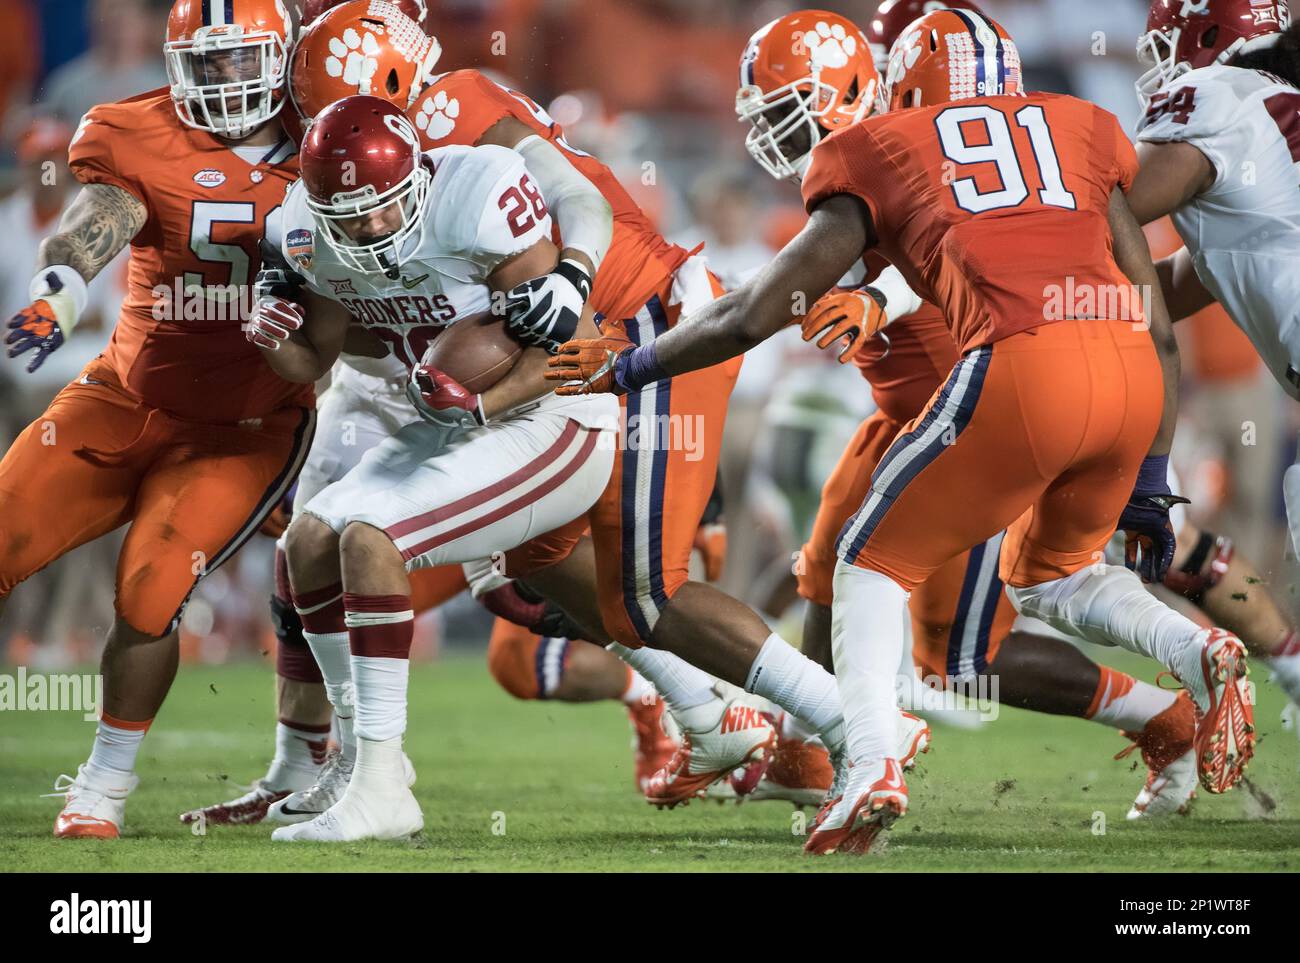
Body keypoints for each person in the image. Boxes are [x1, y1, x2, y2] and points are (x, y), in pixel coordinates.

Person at [548, 8, 1255, 854]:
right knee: (838, 576)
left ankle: (885, 758)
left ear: (881, 83)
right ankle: (816, 751)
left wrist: (630, 363)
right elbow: (1103, 277)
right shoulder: (1075, 128)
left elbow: (789, 296)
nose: (775, 130)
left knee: (930, 629)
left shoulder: (882, 149)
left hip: (994, 393)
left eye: (788, 106)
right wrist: (1151, 465)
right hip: (1082, 379)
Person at [8, 0, 312, 840]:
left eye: (241, 56)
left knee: (150, 586)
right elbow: (100, 221)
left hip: (244, 425)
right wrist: (62, 291)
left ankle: (101, 786)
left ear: (285, 56)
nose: (223, 76)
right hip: (124, 393)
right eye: (205, 60)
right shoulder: (137, 130)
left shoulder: (329, 141)